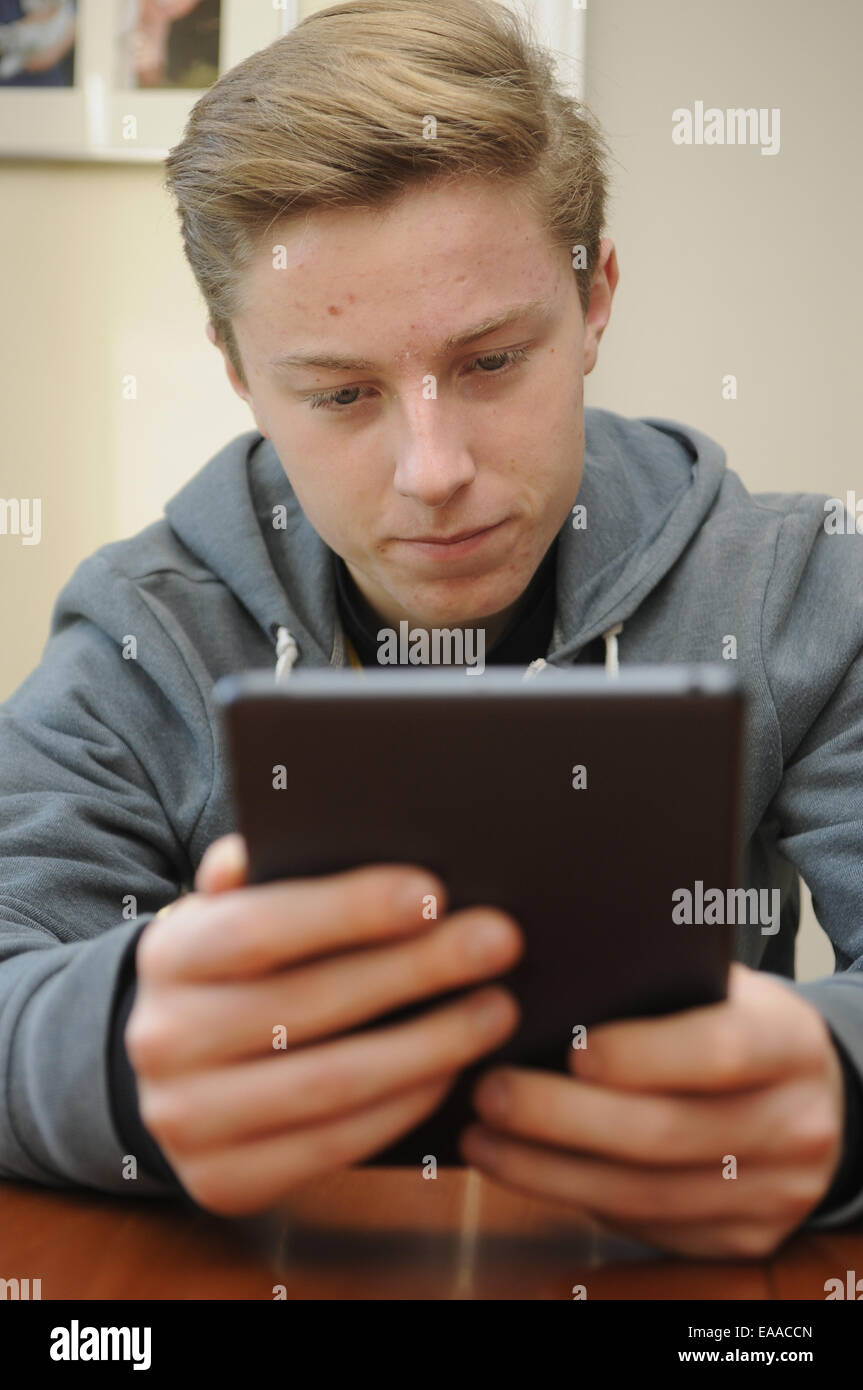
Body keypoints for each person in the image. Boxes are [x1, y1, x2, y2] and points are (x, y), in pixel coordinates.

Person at [2, 0, 862, 1262]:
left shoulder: (797, 586)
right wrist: (112, 1062)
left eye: (493, 360)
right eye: (341, 392)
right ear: (239, 371)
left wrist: (837, 1093)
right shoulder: (143, 626)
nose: (432, 468)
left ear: (595, 297)